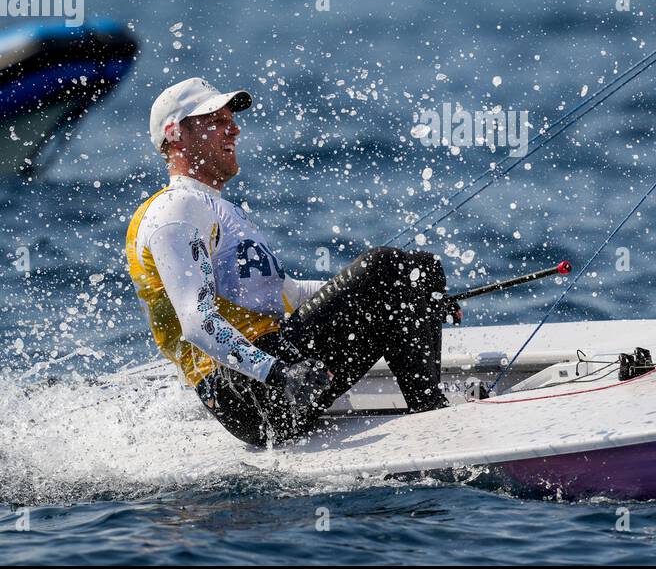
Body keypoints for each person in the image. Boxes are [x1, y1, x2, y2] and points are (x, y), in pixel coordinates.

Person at [124, 77, 457, 447]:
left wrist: (412, 297)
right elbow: (197, 322)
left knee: (416, 271)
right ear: (174, 135)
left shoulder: (219, 209)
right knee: (387, 266)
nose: (234, 127)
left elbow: (292, 295)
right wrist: (279, 374)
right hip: (246, 391)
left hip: (275, 372)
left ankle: (429, 410)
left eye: (230, 119)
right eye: (215, 121)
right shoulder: (176, 209)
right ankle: (433, 418)